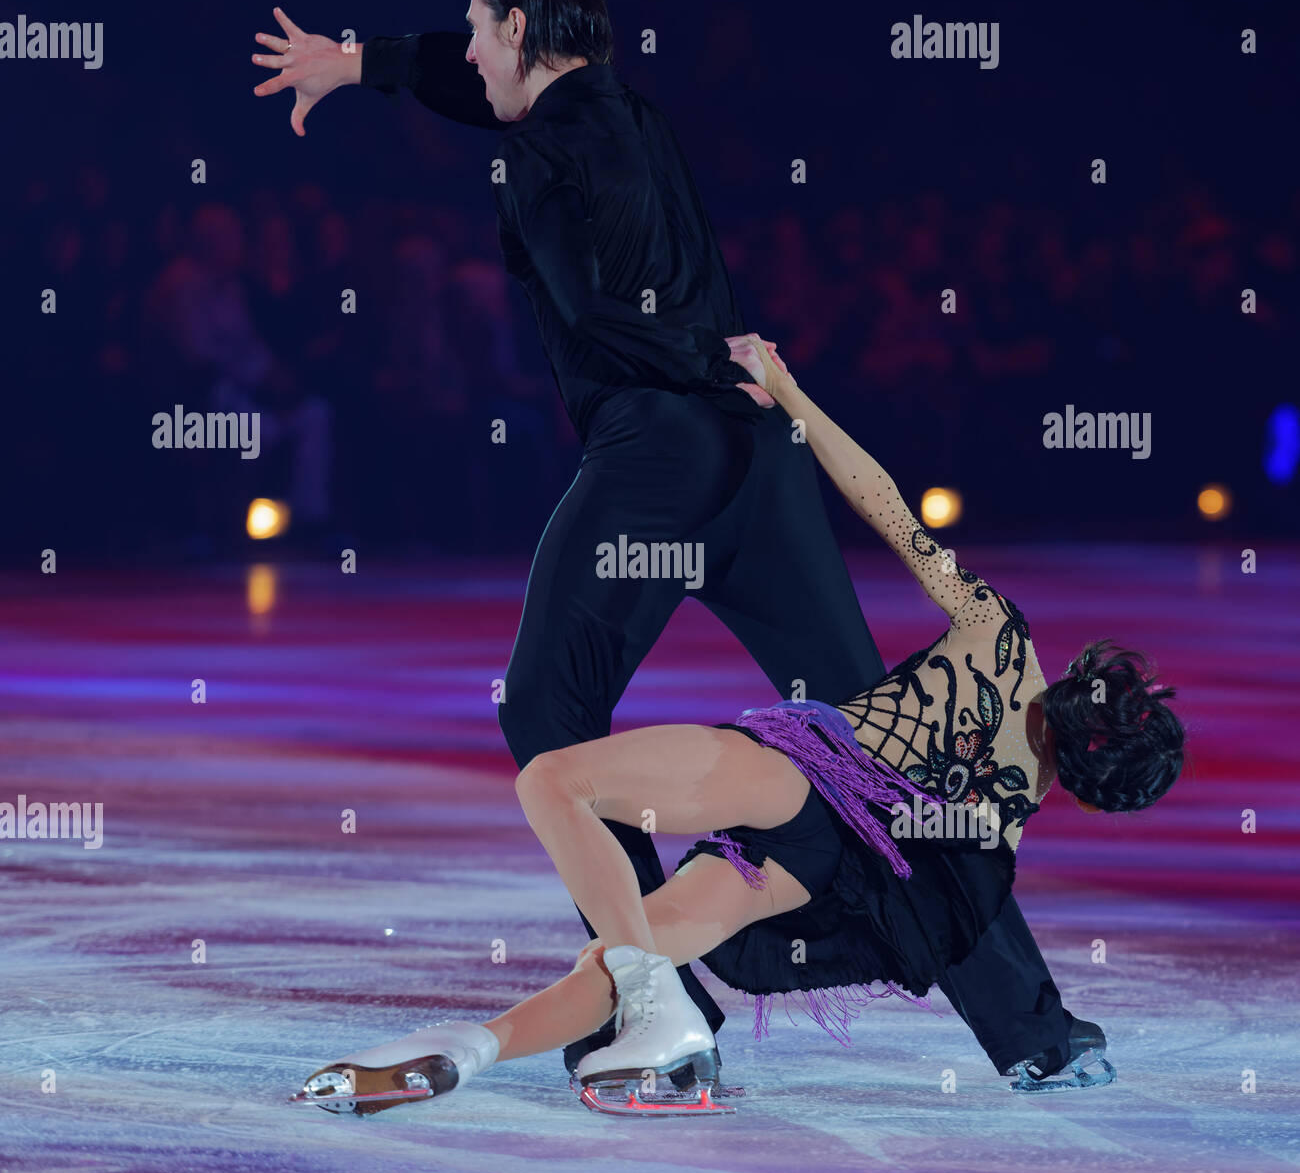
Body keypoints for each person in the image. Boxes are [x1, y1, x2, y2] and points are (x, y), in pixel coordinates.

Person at [256, 0, 1108, 1094]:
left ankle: (659, 998)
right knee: (875, 750)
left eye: (474, 25)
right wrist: (368, 65)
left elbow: (595, 314)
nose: (464, 47)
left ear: (515, 29)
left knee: (549, 707)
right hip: (755, 453)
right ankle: (1036, 1034)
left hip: (659, 448)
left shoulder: (537, 161)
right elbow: (500, 90)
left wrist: (689, 360)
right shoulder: (627, 111)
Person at [292, 337, 1183, 1116]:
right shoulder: (1009, 822)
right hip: (811, 873)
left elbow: (887, 507)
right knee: (626, 951)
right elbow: (929, 888)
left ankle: (652, 1013)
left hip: (793, 778)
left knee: (553, 778)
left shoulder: (1002, 634)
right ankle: (474, 1049)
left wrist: (791, 394)